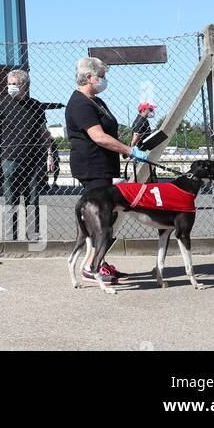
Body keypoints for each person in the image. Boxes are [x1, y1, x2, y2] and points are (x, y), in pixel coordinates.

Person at [65, 56, 149, 284]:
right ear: (89, 77)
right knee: (101, 220)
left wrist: (124, 148)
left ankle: (99, 262)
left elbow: (109, 133)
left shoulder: (97, 102)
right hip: (92, 166)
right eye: (101, 76)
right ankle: (91, 267)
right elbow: (98, 137)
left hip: (104, 165)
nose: (103, 80)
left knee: (106, 218)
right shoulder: (80, 103)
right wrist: (130, 151)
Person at [0, 70, 63, 241]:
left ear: (25, 86)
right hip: (10, 159)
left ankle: (33, 236)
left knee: (33, 200)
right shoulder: (2, 104)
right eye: (10, 84)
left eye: (15, 84)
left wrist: (50, 154)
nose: (11, 87)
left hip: (34, 161)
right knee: (10, 201)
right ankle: (11, 237)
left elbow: (44, 133)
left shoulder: (36, 106)